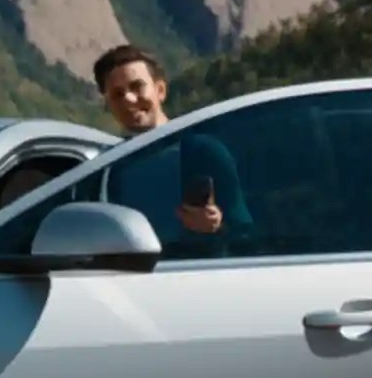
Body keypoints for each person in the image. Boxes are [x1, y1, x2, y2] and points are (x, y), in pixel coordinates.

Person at [92, 45, 252, 254]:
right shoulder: (108, 168)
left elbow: (245, 233)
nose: (128, 99)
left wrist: (216, 226)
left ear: (160, 90)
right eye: (117, 94)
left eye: (136, 86)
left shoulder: (203, 152)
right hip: (130, 281)